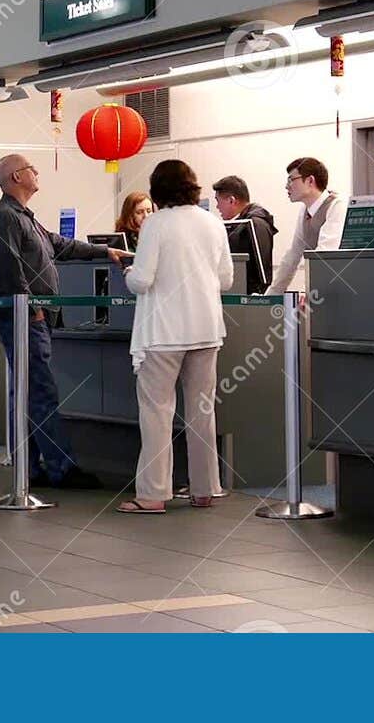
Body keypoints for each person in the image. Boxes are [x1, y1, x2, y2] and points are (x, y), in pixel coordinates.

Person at [0, 154, 132, 490]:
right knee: (40, 391)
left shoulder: (25, 219)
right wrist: (31, 306)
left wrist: (104, 252)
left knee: (28, 391)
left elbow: (59, 245)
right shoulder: (5, 218)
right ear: (16, 177)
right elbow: (8, 269)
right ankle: (59, 467)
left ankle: (31, 466)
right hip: (24, 317)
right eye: (31, 169)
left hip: (32, 316)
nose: (37, 172)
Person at [118, 160, 231, 514]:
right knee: (202, 411)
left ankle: (153, 495)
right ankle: (204, 489)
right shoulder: (213, 223)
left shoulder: (155, 224)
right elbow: (225, 280)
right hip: (206, 330)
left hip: (163, 333)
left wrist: (128, 272)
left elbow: (142, 280)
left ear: (157, 189)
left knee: (156, 413)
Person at [267, 157, 348, 295]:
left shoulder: (337, 205)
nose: (287, 186)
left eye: (291, 180)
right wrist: (270, 296)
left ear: (310, 181)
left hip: (341, 289)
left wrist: (307, 293)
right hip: (322, 289)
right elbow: (293, 255)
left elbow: (324, 255)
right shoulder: (305, 211)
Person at [212, 175, 276, 295]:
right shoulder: (242, 224)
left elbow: (261, 273)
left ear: (231, 200)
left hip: (250, 298)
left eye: (218, 201)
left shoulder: (255, 224)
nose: (217, 206)